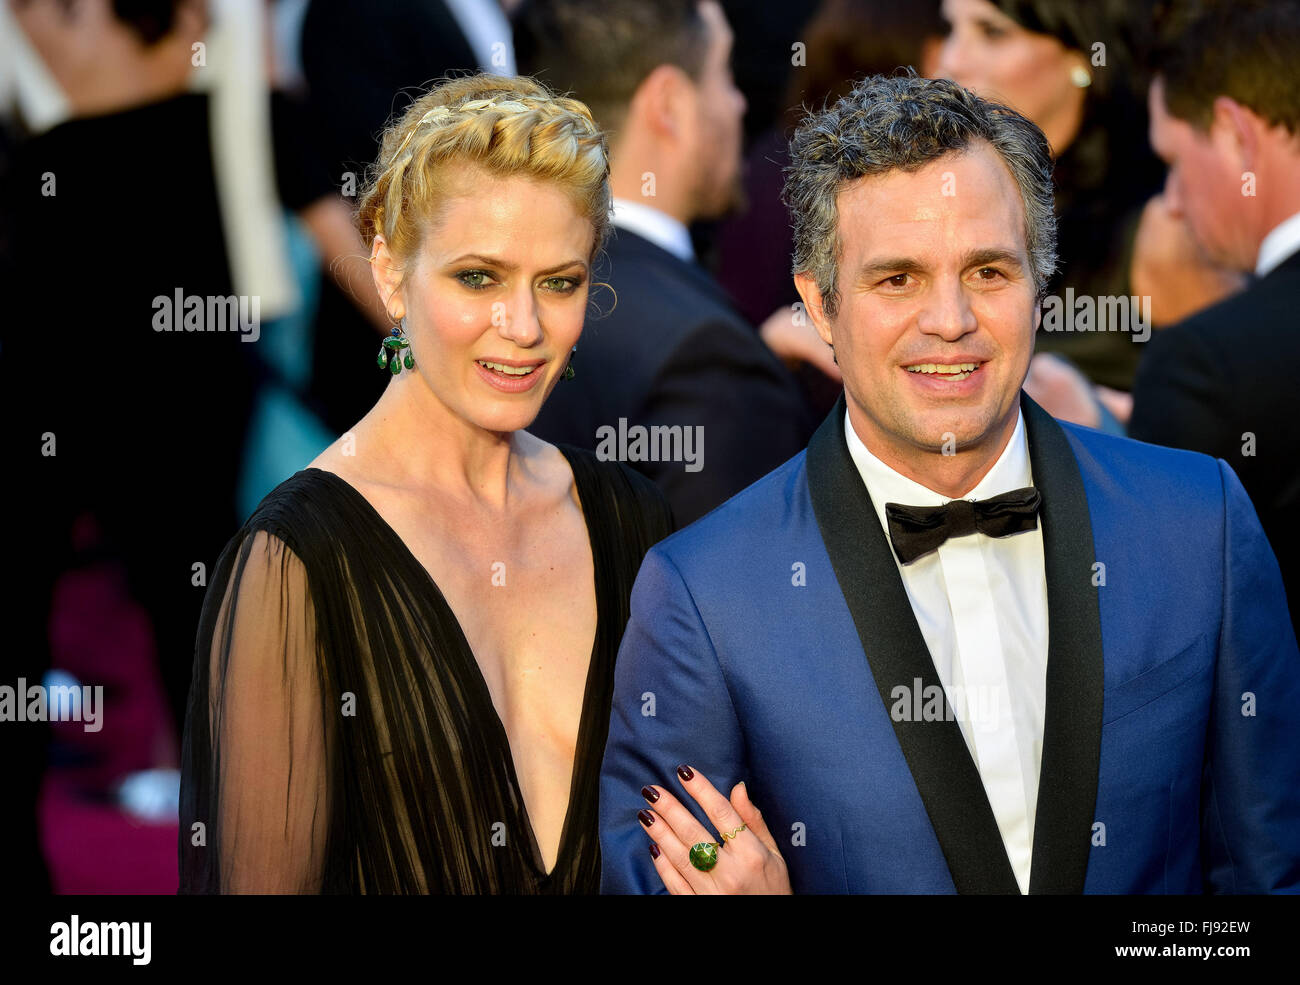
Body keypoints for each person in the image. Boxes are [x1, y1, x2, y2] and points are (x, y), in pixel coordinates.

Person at [598, 73, 1300, 894]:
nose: (950, 320)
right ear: (820, 307)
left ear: (1040, 283)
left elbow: (1269, 879)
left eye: (988, 272)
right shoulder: (706, 597)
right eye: (897, 279)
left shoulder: (1199, 523)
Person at [178, 73, 673, 893]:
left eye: (560, 282)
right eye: (478, 277)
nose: (522, 328)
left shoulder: (631, 518)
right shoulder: (298, 560)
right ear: (390, 269)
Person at [515, 0, 815, 526]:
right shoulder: (707, 362)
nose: (739, 105)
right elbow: (728, 600)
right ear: (670, 103)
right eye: (724, 75)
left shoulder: (490, 300)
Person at [936, 0, 1243, 423]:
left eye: (993, 33)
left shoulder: (1164, 229)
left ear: (1081, 57)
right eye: (951, 28)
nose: (953, 60)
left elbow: (1246, 422)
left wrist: (1103, 423)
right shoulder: (961, 197)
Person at [1130, 0, 1300, 638]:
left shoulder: (1204, 364)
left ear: (1234, 133)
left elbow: (1159, 625)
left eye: (1172, 161)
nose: (1172, 202)